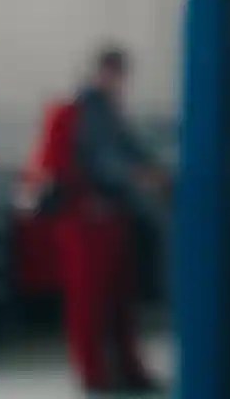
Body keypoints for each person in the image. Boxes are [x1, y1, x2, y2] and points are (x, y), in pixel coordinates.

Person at [55, 47, 168, 395]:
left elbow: (132, 149)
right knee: (89, 303)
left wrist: (154, 169)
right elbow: (102, 162)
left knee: (121, 299)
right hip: (87, 219)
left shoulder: (109, 109)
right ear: (101, 71)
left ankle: (127, 368)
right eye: (113, 73)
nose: (118, 81)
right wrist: (139, 176)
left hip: (113, 219)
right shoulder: (86, 109)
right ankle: (95, 374)